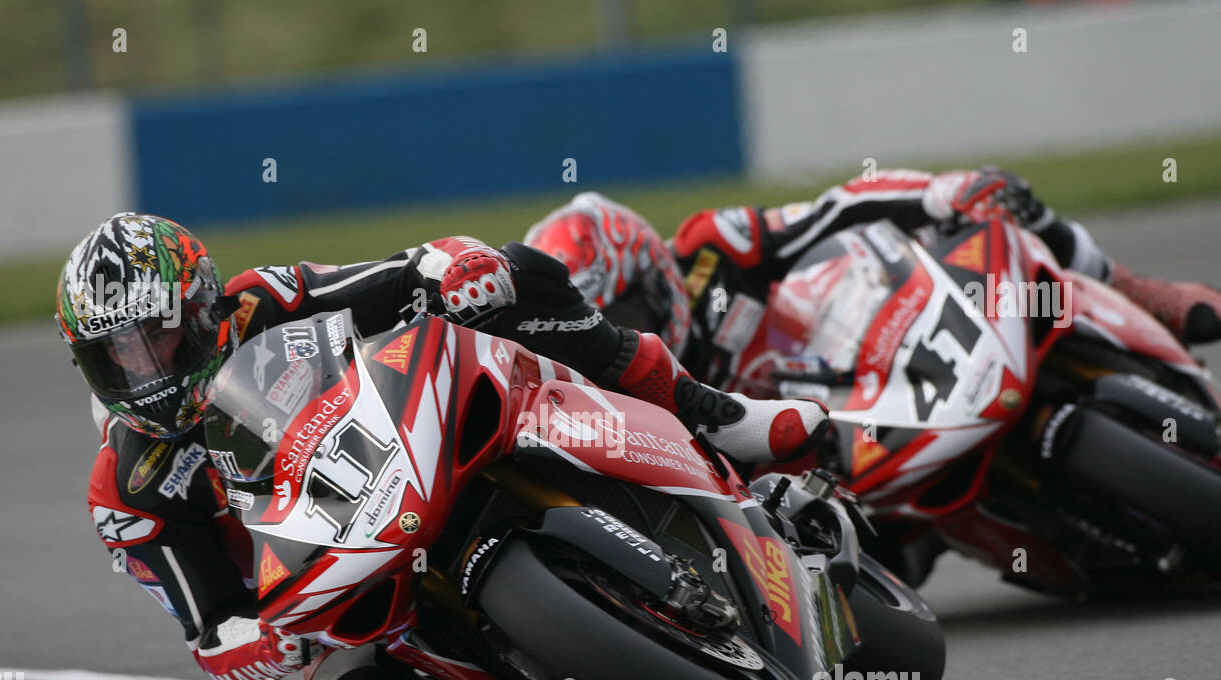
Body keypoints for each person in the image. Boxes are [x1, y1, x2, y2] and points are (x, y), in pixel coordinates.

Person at [57, 212, 831, 680]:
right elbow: (210, 631)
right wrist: (265, 641)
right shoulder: (128, 488)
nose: (143, 371)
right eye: (113, 357)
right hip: (316, 593)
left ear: (197, 308)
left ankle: (711, 414)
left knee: (522, 274)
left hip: (388, 459)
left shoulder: (264, 302)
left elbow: (394, 279)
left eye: (151, 339)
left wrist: (449, 270)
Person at [523, 171, 1221, 392]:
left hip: (888, 347)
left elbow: (838, 206)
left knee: (1004, 212)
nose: (626, 329)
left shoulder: (711, 248)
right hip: (842, 471)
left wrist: (937, 195)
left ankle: (1140, 291)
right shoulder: (627, 390)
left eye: (629, 306)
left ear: (651, 265)